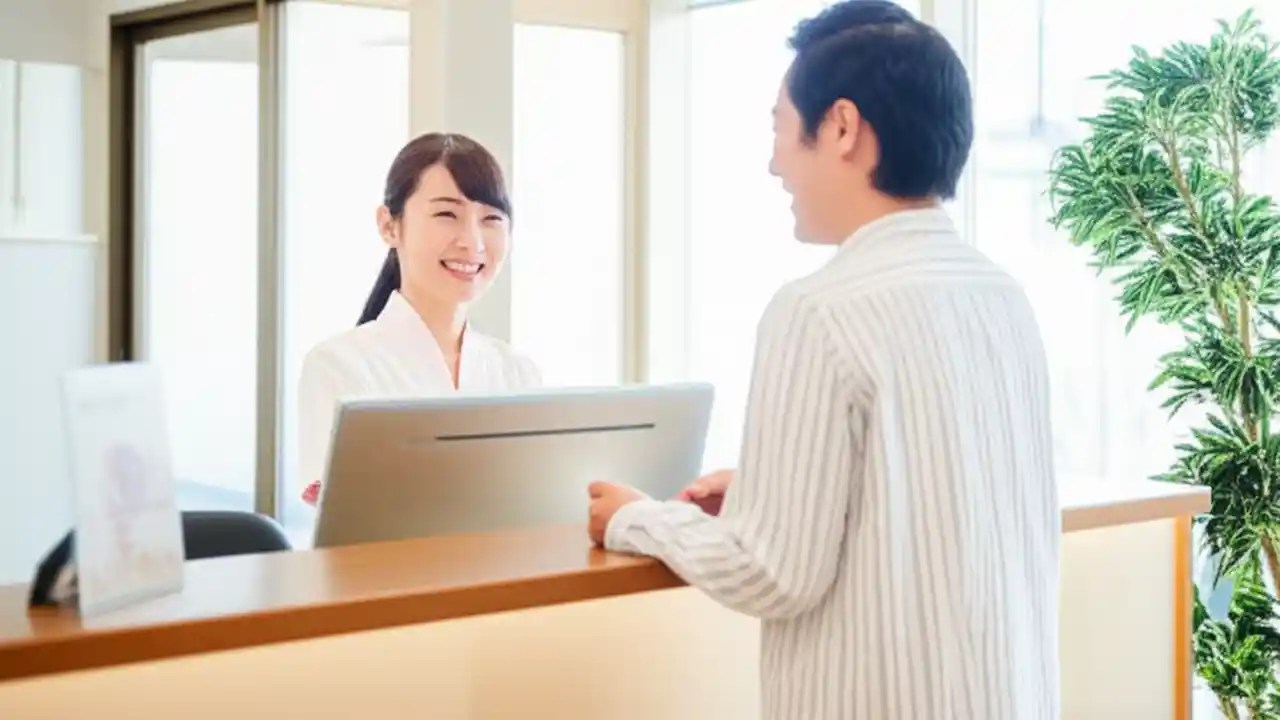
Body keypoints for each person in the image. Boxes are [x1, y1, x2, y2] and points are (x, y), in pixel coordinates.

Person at [587, 2, 1060, 719]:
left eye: (779, 126)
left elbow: (772, 573)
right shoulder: (1001, 297)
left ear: (840, 127)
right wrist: (773, 486)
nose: (775, 161)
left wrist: (635, 519)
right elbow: (943, 489)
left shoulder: (819, 310)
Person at [298, 133, 540, 506]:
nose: (472, 242)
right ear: (389, 226)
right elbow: (345, 525)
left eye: (491, 218)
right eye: (447, 214)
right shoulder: (339, 365)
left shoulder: (517, 372)